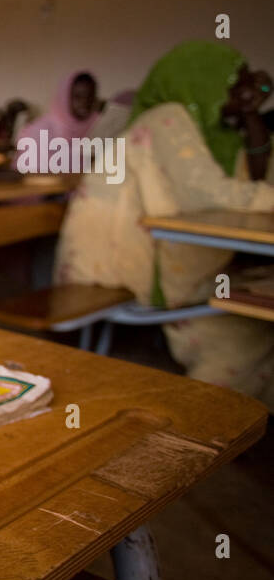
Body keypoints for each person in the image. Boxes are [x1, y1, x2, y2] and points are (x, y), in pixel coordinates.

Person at [56, 41, 274, 405]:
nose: (241, 94)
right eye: (233, 85)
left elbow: (255, 176)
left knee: (254, 312)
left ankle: (232, 416)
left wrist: (253, 113)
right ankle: (207, 420)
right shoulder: (169, 118)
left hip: (172, 256)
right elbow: (210, 195)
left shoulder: (214, 131)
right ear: (205, 82)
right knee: (246, 328)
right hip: (122, 266)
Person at [15, 71, 100, 165]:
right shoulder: (40, 132)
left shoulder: (98, 125)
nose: (85, 102)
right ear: (64, 98)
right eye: (77, 97)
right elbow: (34, 175)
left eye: (89, 97)